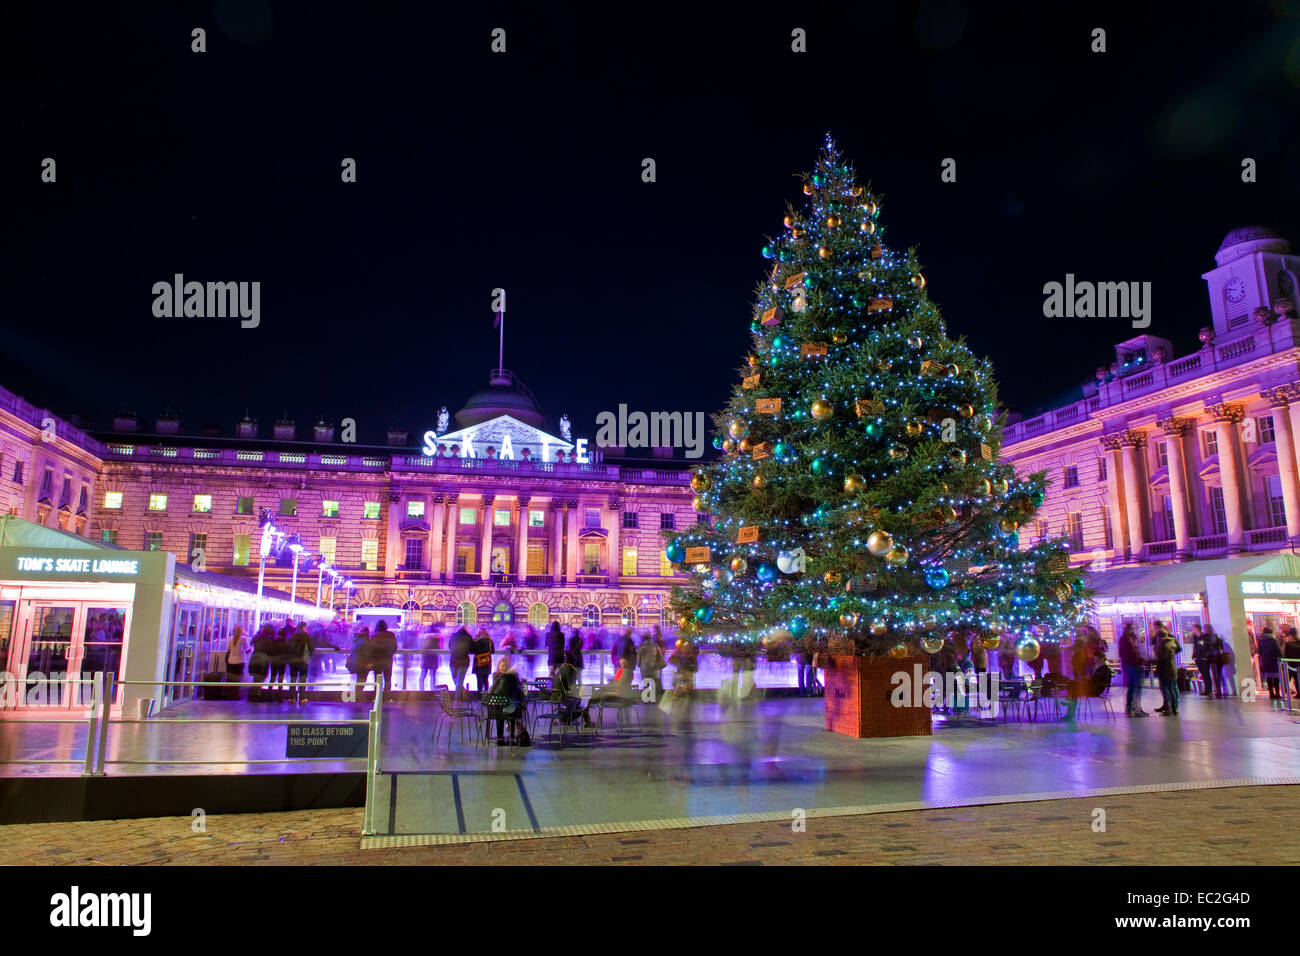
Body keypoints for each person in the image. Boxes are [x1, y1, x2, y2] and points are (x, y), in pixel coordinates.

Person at [487, 658, 528, 745]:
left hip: (501, 704)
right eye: (502, 666)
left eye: (505, 666)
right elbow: (518, 690)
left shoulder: (500, 677)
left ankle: (502, 739)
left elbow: (494, 690)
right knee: (509, 715)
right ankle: (507, 738)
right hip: (508, 705)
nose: (503, 668)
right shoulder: (509, 676)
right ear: (498, 666)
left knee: (502, 714)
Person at [1120, 621, 1148, 717]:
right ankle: (1133, 707)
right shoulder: (1124, 640)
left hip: (1136, 664)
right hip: (1131, 665)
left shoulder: (1135, 638)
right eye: (1131, 628)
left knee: (1135, 687)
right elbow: (1123, 654)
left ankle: (1135, 707)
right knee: (1133, 687)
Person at [1154, 624, 1181, 716]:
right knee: (1172, 688)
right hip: (1172, 668)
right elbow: (1177, 649)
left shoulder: (1162, 645)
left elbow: (1161, 658)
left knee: (1165, 688)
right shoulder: (1171, 641)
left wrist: (1153, 662)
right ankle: (1174, 708)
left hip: (1165, 669)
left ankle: (1169, 708)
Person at [288, 621, 314, 705]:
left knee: (293, 679)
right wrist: (307, 656)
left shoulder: (292, 636)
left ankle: (292, 697)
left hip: (293, 660)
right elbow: (311, 648)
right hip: (303, 661)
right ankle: (302, 698)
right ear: (304, 627)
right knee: (302, 679)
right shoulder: (307, 636)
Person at [370, 621, 398, 699]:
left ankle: (377, 696)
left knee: (377, 679)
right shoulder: (391, 635)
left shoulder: (374, 636)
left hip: (377, 660)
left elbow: (371, 648)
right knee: (388, 678)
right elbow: (395, 646)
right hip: (387, 660)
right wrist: (390, 653)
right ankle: (387, 696)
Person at [248, 624, 274, 702]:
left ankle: (252, 695)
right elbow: (270, 650)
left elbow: (251, 644)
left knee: (256, 678)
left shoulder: (257, 636)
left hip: (254, 657)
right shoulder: (269, 638)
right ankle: (256, 696)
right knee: (260, 678)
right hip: (262, 659)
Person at [1191, 623, 1216, 697]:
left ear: (1197, 629)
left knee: (1206, 674)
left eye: (1194, 628)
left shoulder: (1205, 637)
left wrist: (1206, 656)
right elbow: (1195, 647)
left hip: (1204, 659)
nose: (1193, 630)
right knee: (1203, 674)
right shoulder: (1195, 638)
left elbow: (1209, 647)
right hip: (1198, 658)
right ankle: (1206, 690)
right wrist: (1194, 656)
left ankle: (1210, 691)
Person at [347, 627, 372, 700]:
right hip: (362, 664)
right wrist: (370, 663)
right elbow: (367, 654)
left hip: (356, 663)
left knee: (359, 680)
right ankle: (358, 696)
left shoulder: (356, 640)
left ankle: (355, 696)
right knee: (361, 680)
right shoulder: (365, 642)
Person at [1258, 626, 1282, 700]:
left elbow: (1260, 651)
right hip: (1273, 660)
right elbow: (1277, 650)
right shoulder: (1273, 639)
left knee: (1268, 677)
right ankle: (1277, 693)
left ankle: (1271, 693)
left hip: (1265, 661)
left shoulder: (1260, 640)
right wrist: (1280, 657)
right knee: (1276, 677)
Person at [1203, 625, 1227, 698]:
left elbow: (1204, 647)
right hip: (1218, 657)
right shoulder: (1216, 636)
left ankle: (1216, 690)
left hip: (1212, 657)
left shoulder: (1206, 637)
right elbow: (1221, 647)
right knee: (1218, 674)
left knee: (1214, 674)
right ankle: (1219, 690)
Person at [449, 626, 473, 698]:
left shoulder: (453, 636)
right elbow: (472, 648)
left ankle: (460, 694)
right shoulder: (469, 637)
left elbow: (449, 646)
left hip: (453, 661)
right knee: (460, 681)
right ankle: (458, 697)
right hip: (464, 662)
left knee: (454, 678)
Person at [472, 627, 495, 695]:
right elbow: (492, 651)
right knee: (486, 679)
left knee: (479, 680)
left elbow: (472, 650)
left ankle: (479, 695)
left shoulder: (476, 641)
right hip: (487, 662)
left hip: (478, 662)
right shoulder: (490, 641)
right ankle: (486, 695)